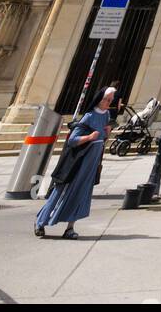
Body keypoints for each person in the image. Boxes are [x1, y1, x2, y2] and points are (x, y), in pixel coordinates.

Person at [35, 86, 114, 239]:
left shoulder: (106, 116)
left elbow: (102, 139)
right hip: (78, 163)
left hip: (91, 164)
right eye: (106, 99)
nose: (108, 103)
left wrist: (106, 134)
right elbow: (72, 140)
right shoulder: (89, 116)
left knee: (81, 194)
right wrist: (89, 137)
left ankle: (70, 228)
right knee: (60, 192)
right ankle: (40, 222)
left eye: (110, 100)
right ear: (98, 99)